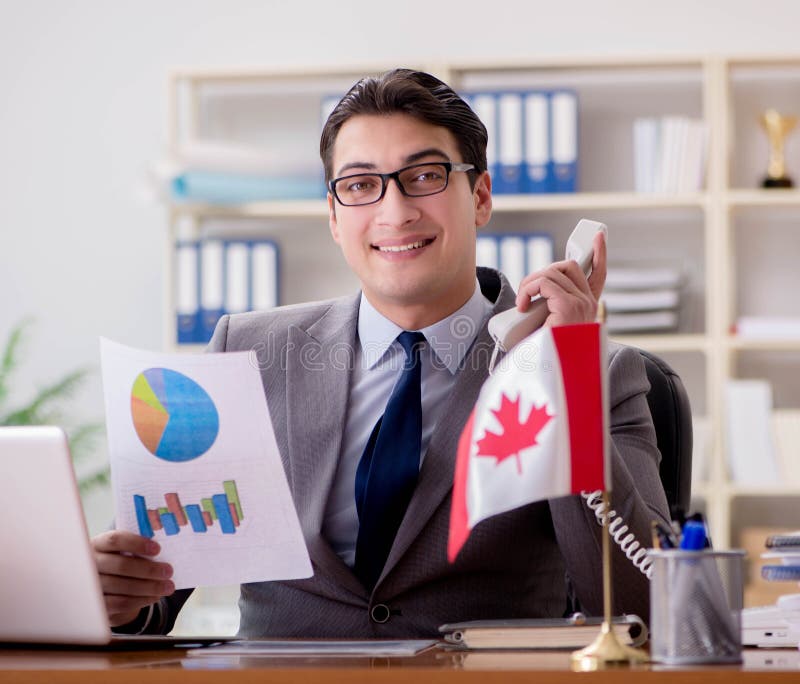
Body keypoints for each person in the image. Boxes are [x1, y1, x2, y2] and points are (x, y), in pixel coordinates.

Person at [92, 68, 671, 638]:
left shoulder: (596, 373)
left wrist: (564, 376)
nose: (395, 211)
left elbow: (645, 609)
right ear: (334, 216)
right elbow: (152, 590)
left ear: (480, 197)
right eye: (360, 185)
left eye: (425, 176)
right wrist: (113, 592)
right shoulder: (247, 353)